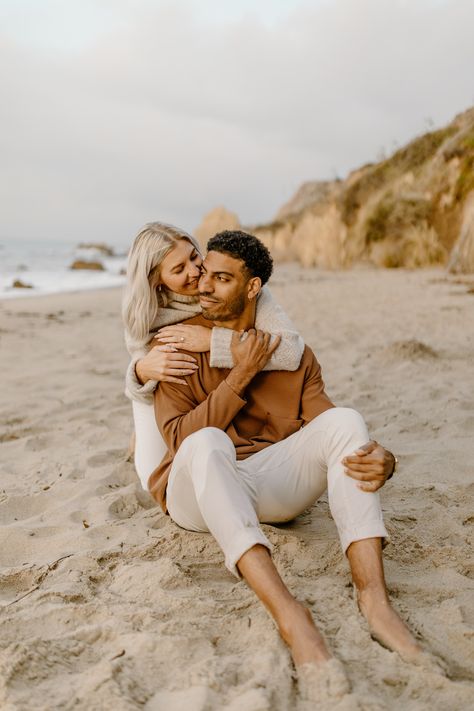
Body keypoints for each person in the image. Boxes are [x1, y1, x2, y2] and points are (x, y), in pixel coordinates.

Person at [148, 230, 435, 701]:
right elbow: (179, 441)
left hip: (269, 485)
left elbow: (332, 434)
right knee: (206, 443)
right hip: (196, 492)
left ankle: (374, 599)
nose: (204, 286)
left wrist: (385, 458)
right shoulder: (178, 347)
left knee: (348, 419)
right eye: (206, 275)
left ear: (253, 288)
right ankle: (290, 614)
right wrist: (238, 373)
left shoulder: (294, 355)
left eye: (222, 279)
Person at [122, 222, 305, 489]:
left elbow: (291, 351)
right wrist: (139, 372)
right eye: (178, 269)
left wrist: (214, 340)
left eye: (194, 256)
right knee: (152, 478)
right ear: (156, 281)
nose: (195, 272)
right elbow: (140, 380)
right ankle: (142, 437)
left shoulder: (238, 290)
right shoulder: (147, 316)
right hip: (158, 397)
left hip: (216, 397)